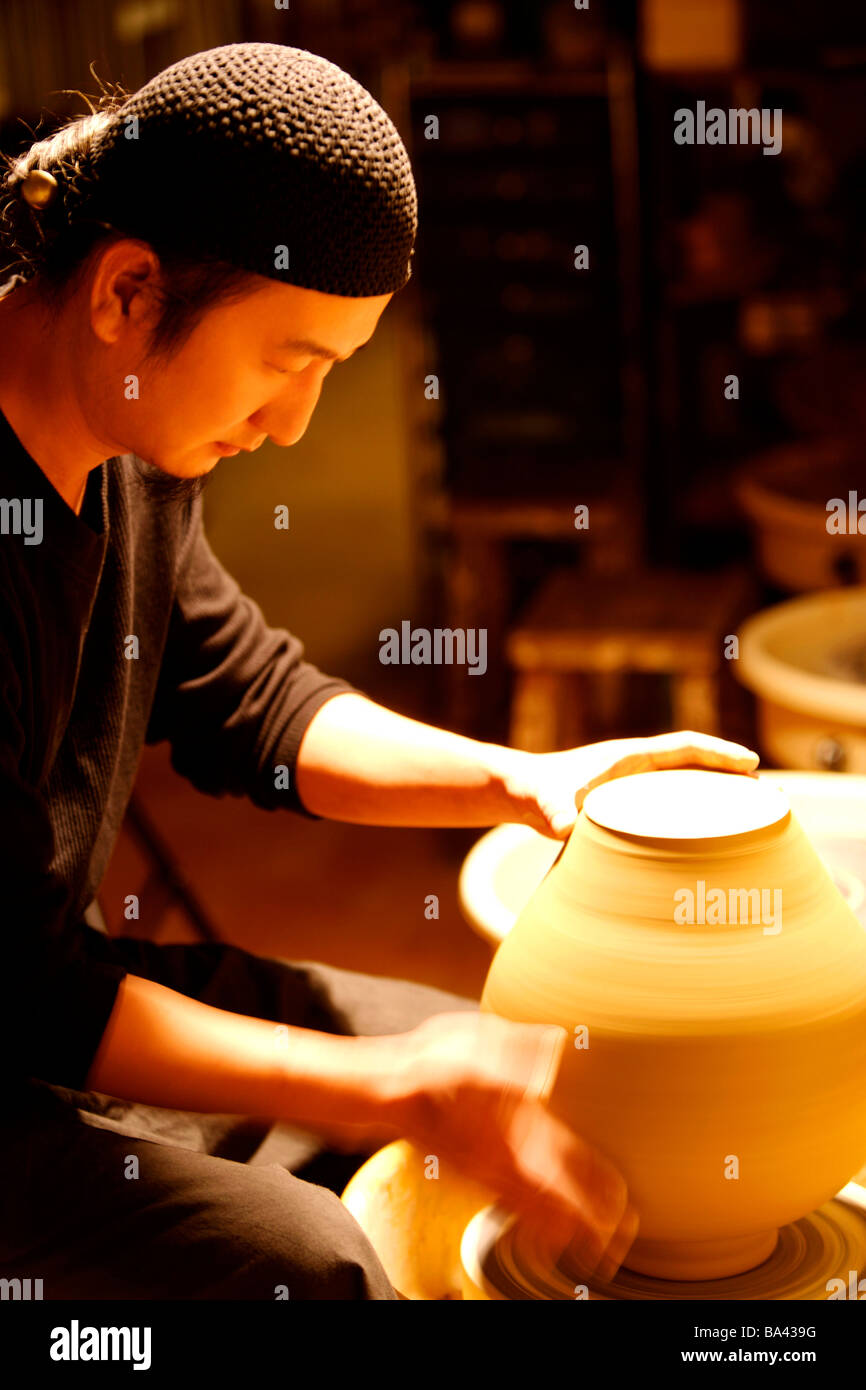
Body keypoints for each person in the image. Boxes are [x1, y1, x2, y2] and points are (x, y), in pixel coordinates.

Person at [0, 42, 759, 1299]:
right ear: (128, 292)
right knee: (302, 1260)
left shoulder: (134, 447)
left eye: (332, 372)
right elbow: (23, 995)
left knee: (471, 1055)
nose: (295, 425)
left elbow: (255, 699)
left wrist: (529, 781)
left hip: (43, 998)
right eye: (287, 360)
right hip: (20, 1023)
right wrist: (395, 1087)